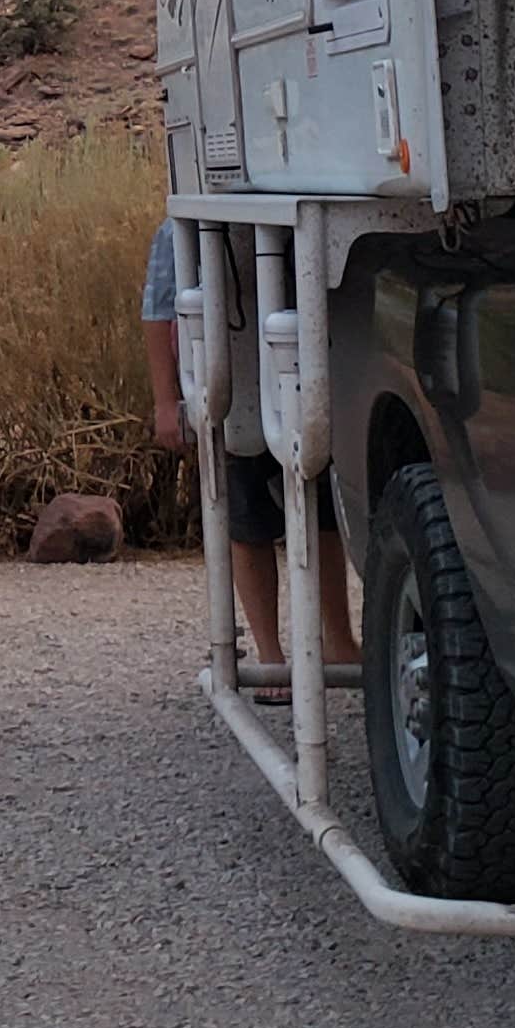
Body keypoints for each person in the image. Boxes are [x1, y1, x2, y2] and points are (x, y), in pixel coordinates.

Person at [141, 217, 355, 698]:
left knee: (320, 516)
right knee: (247, 519)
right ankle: (269, 653)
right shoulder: (179, 228)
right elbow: (157, 311)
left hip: (301, 375)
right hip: (233, 383)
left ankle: (339, 640)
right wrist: (164, 401)